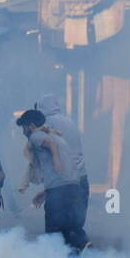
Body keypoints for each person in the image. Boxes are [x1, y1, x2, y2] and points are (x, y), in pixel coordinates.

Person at [18, 108, 88, 253]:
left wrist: (56, 159)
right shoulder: (57, 136)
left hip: (60, 191)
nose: (23, 132)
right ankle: (81, 256)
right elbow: (63, 175)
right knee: (69, 231)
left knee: (53, 234)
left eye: (24, 127)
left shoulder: (36, 135)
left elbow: (51, 146)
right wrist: (45, 193)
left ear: (30, 126)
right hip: (72, 188)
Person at [37, 94, 90, 241]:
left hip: (62, 185)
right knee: (75, 229)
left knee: (55, 235)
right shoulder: (69, 121)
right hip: (81, 180)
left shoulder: (46, 124)